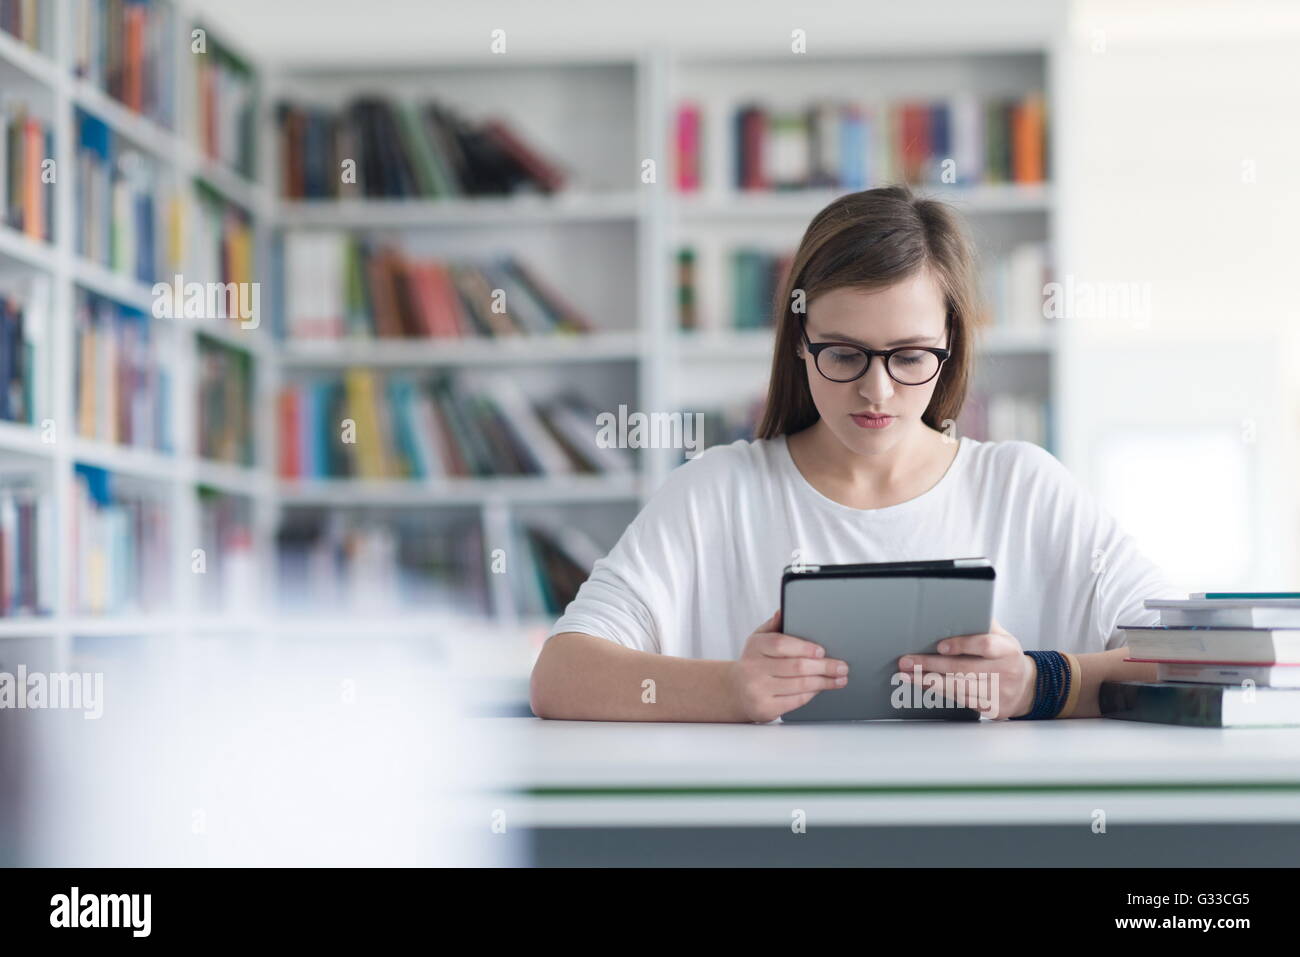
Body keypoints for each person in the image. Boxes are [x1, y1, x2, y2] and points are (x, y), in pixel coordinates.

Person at [530, 184, 1183, 723]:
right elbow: (561, 675)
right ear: (799, 341)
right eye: (842, 353)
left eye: (909, 355)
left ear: (950, 343)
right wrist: (730, 688)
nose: (877, 389)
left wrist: (1038, 683)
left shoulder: (1025, 489)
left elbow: (1188, 657)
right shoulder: (714, 492)